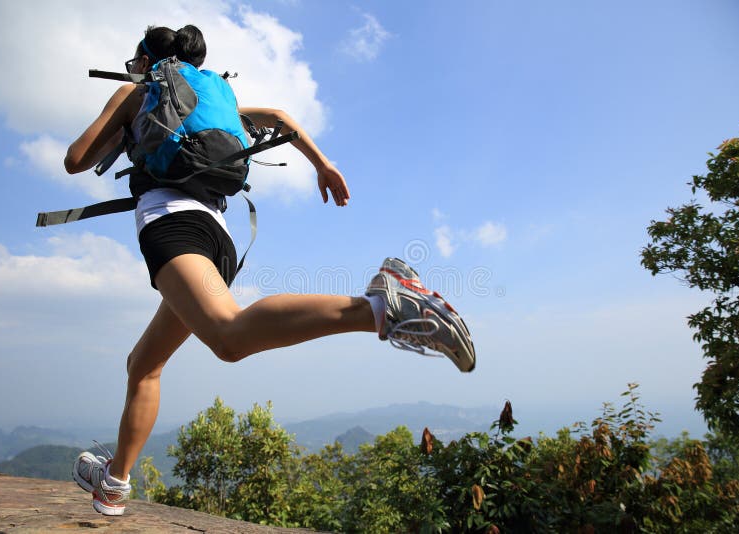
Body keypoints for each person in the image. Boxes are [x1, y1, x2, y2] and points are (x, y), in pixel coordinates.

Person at [65, 24, 476, 516]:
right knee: (144, 364)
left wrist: (123, 109)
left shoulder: (141, 91)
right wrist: (323, 163)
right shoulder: (215, 99)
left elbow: (75, 160)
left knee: (228, 337)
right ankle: (114, 483)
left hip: (173, 228)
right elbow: (280, 117)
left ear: (147, 59)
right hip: (219, 237)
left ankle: (381, 308)